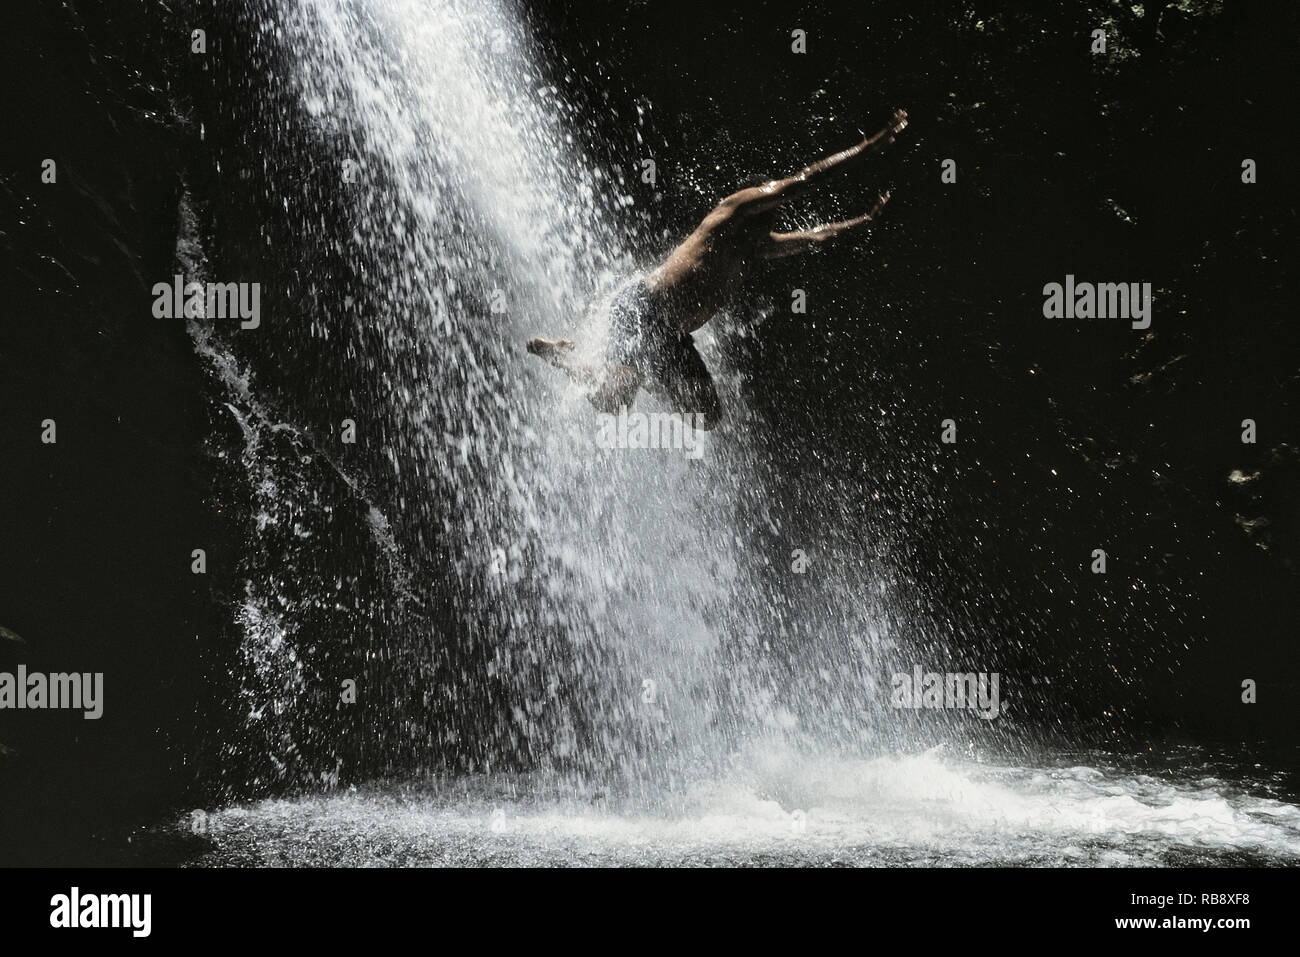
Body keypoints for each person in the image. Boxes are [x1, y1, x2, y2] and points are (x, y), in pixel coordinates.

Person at [528, 108, 909, 430]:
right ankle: (562, 355)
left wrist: (864, 220)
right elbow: (806, 179)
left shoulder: (757, 247)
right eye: (770, 206)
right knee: (613, 402)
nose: (774, 213)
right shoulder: (733, 209)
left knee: (706, 417)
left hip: (669, 334)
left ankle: (640, 374)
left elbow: (816, 237)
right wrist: (869, 147)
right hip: (643, 307)